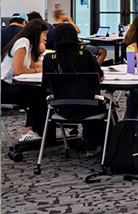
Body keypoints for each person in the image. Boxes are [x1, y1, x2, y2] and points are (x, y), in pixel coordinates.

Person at [42, 23, 106, 157]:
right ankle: (95, 145)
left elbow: (47, 86)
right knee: (105, 105)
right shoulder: (86, 54)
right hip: (88, 108)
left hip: (61, 109)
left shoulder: (48, 58)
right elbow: (99, 78)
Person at [0, 18, 49, 143]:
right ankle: (28, 132)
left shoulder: (29, 44)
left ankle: (40, 131)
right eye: (44, 35)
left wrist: (47, 66)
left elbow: (34, 64)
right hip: (1, 88)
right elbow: (18, 70)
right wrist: (37, 71)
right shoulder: (23, 42)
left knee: (41, 91)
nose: (45, 39)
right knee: (38, 94)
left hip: (10, 85)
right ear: (37, 33)